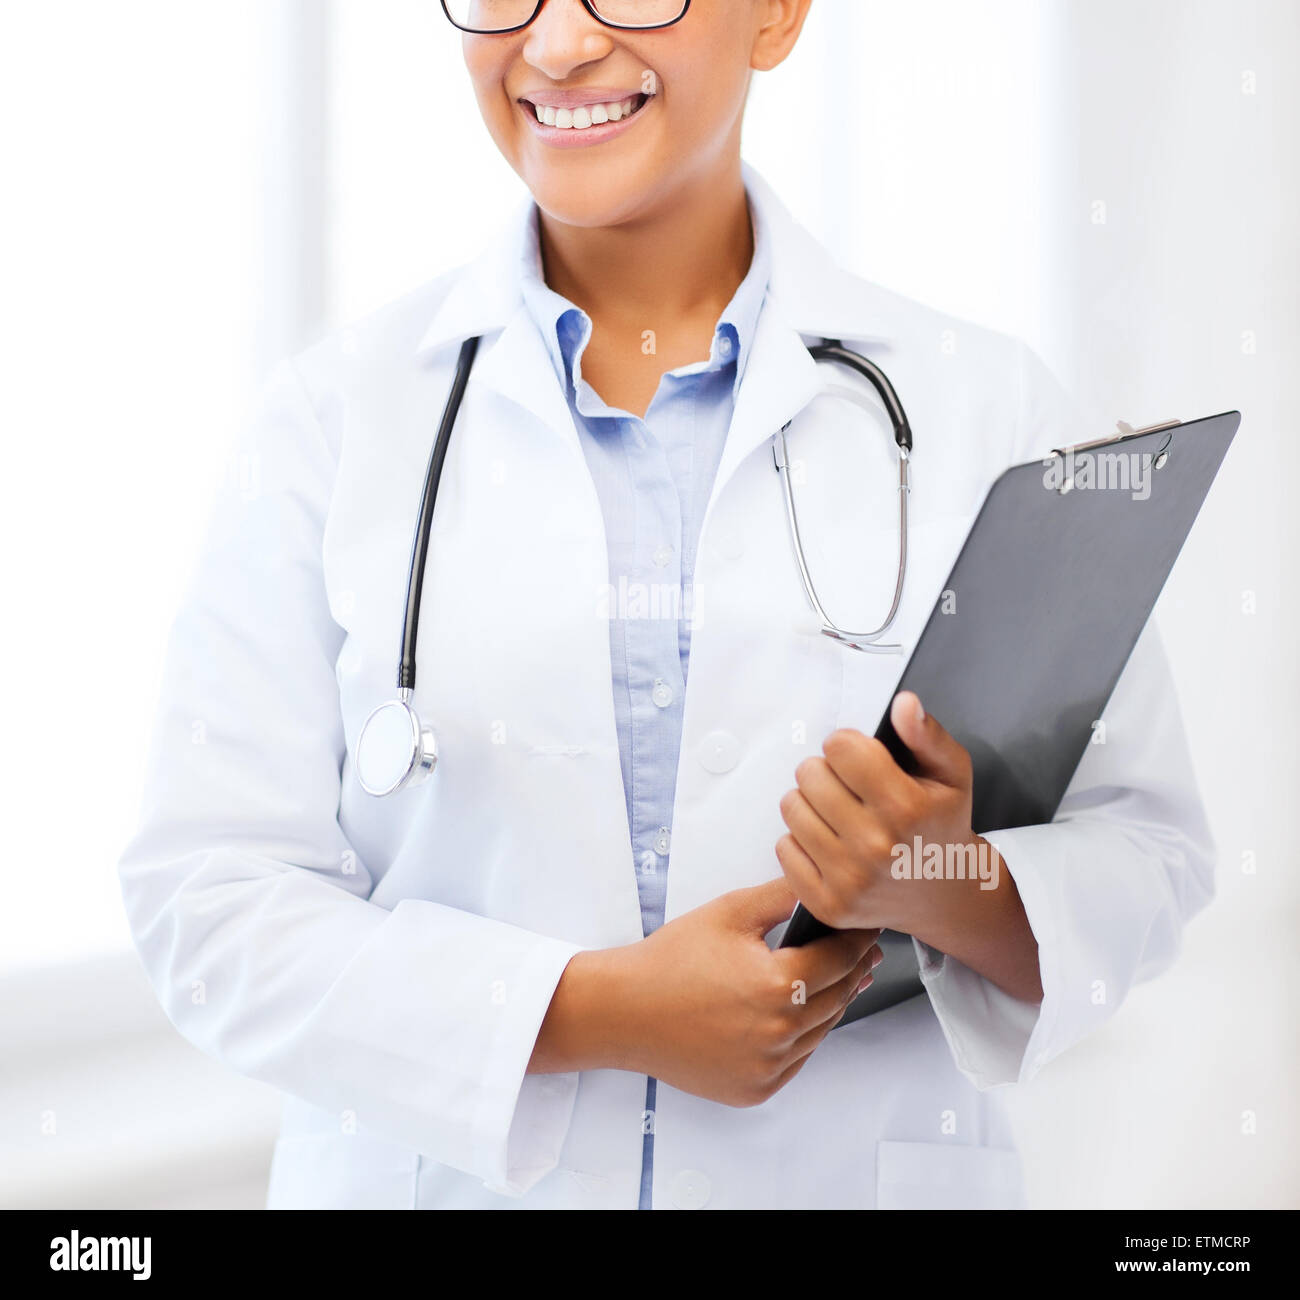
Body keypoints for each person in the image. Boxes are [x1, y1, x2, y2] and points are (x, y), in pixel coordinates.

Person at [117, 0, 1215, 1210]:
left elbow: (1145, 854)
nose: (557, 44)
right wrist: (592, 1010)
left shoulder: (985, 409)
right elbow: (207, 904)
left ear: (778, 16)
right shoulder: (330, 424)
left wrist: (937, 878)